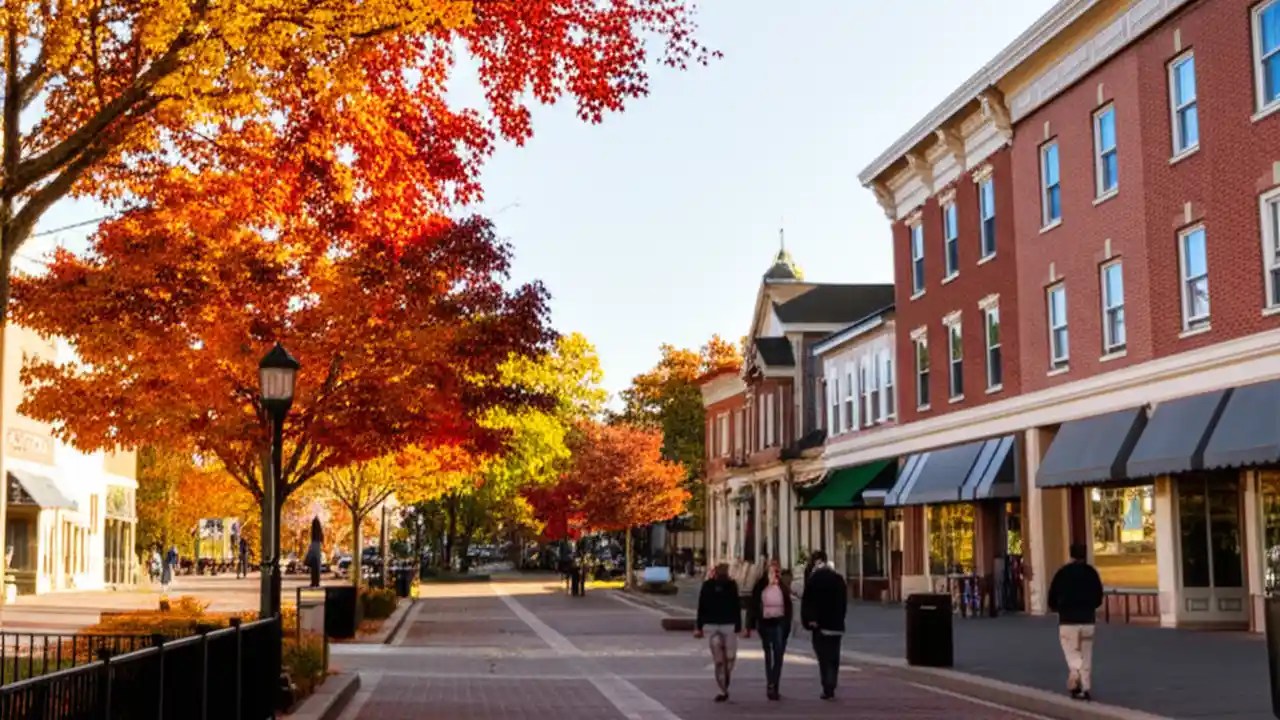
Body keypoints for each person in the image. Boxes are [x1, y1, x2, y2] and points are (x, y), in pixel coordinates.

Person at [1047, 543, 1104, 701]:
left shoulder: (1062, 573)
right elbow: (1099, 597)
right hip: (1087, 620)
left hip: (1068, 620)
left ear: (1070, 554)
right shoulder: (1091, 573)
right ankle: (1084, 687)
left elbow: (1051, 597)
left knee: (1071, 652)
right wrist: (1090, 606)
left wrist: (1057, 607)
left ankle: (1075, 674)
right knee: (1086, 654)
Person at [801, 550, 847, 701]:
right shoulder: (839, 579)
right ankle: (832, 681)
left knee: (823, 656)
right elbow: (843, 604)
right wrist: (840, 618)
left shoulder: (814, 579)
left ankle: (827, 685)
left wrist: (809, 621)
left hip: (820, 624)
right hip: (836, 625)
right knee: (834, 655)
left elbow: (807, 603)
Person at [747, 557, 792, 700]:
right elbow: (753, 605)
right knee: (769, 654)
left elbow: (788, 606)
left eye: (777, 570)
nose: (775, 573)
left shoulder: (783, 586)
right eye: (772, 569)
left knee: (778, 654)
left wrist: (787, 625)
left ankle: (774, 683)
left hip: (779, 623)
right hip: (765, 623)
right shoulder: (760, 585)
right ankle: (770, 683)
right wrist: (749, 625)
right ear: (767, 570)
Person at [695, 563, 743, 703]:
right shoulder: (708, 586)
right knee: (721, 659)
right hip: (713, 625)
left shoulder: (731, 586)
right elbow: (701, 606)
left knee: (730, 657)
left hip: (727, 624)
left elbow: (736, 605)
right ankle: (722, 687)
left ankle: (725, 678)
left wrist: (738, 625)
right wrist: (699, 626)